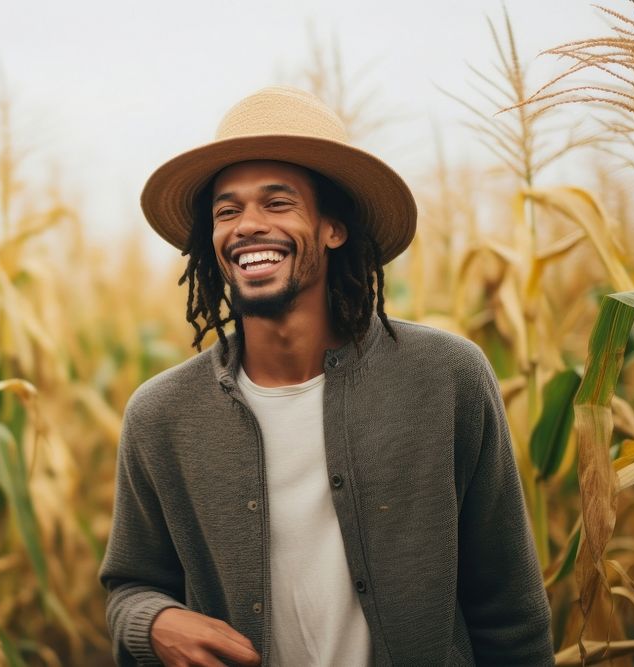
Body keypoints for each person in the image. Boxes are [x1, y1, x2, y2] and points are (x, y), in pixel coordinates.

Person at [98, 86, 552, 666]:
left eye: (278, 203)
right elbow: (130, 586)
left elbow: (510, 611)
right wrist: (154, 622)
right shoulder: (162, 413)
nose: (246, 227)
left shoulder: (444, 378)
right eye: (227, 211)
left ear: (334, 229)